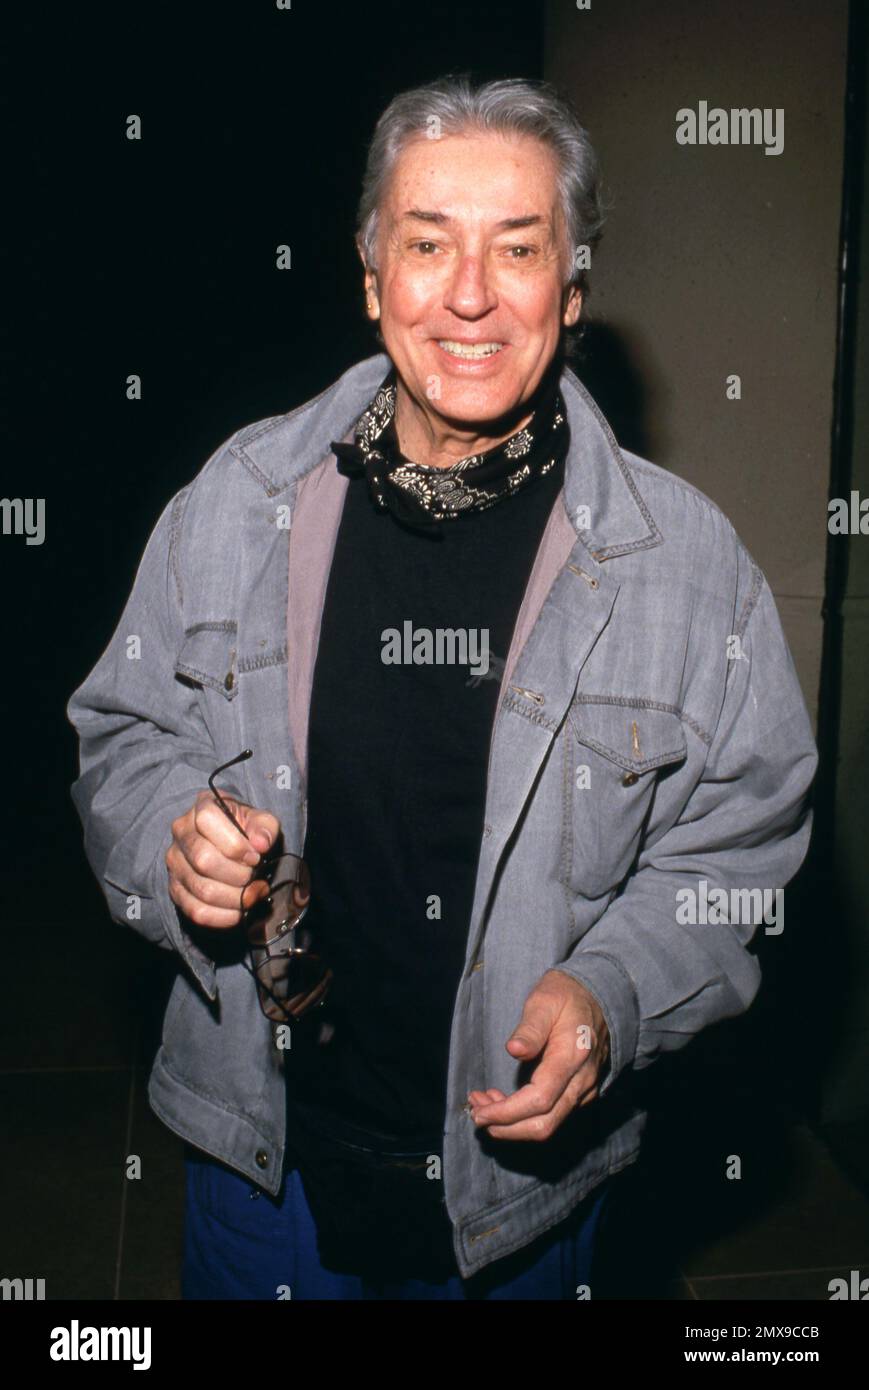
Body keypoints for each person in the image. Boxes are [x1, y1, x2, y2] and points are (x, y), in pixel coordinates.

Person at [66, 75, 818, 1300]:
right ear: (373, 282)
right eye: (427, 245)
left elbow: (739, 846)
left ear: (569, 294)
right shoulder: (233, 502)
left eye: (516, 249)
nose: (469, 293)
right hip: (266, 1181)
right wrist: (168, 840)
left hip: (521, 1209)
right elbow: (122, 730)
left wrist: (614, 986)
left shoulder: (687, 567)